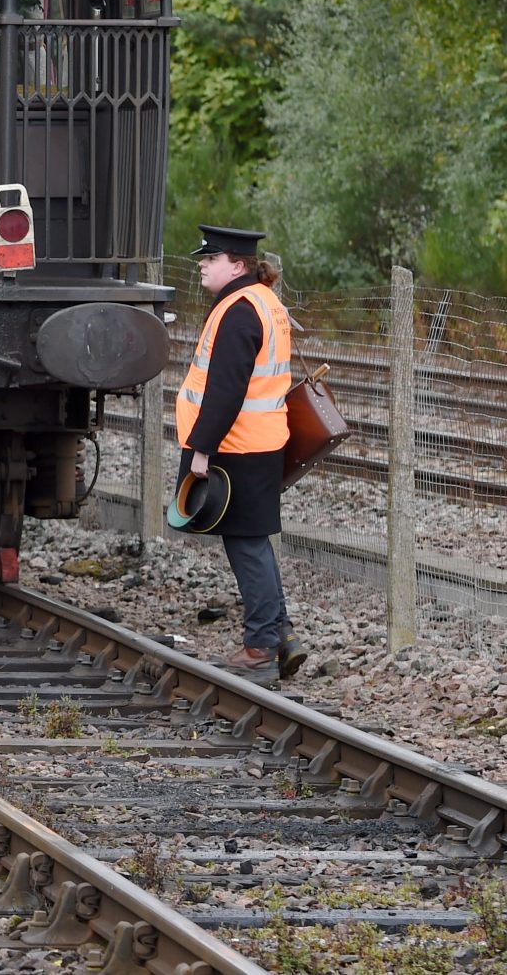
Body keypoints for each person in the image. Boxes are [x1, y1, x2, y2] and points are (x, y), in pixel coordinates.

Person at [175, 224, 306, 685]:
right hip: (261, 440)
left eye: (211, 259)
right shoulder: (263, 302)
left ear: (236, 265)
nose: (202, 265)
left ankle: (261, 648)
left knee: (246, 545)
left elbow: (226, 390)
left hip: (238, 445)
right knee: (253, 541)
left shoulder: (239, 311)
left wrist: (202, 449)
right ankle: (282, 635)